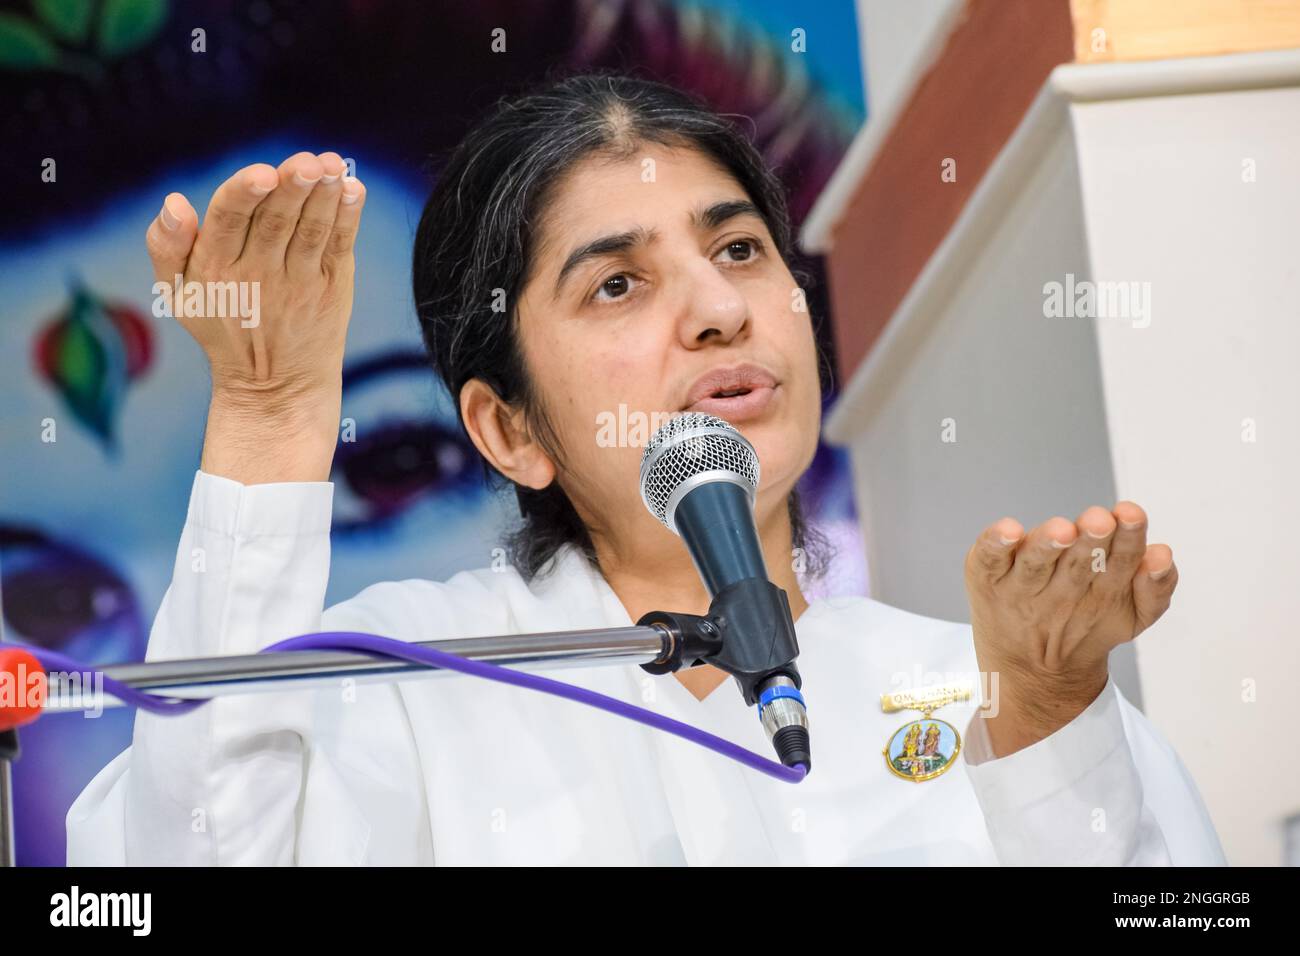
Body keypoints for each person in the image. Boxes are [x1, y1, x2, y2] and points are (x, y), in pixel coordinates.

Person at [65, 72, 1224, 865]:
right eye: (617, 282)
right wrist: (268, 422)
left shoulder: (985, 681)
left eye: (736, 249)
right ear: (508, 427)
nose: (720, 309)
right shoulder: (398, 678)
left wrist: (1056, 726)